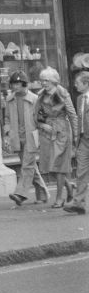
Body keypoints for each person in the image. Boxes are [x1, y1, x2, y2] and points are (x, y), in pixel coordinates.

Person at [34, 66, 77, 208]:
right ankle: (69, 187)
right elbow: (36, 116)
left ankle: (59, 198)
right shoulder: (41, 95)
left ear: (53, 81)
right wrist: (42, 125)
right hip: (47, 132)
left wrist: (76, 135)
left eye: (46, 80)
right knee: (49, 167)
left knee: (59, 166)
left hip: (62, 132)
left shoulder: (62, 93)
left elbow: (72, 114)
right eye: (42, 80)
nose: (43, 83)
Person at [5, 70, 49, 206]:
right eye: (13, 83)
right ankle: (42, 194)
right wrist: (6, 134)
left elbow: (43, 118)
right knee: (30, 166)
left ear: (24, 84)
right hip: (17, 138)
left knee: (27, 165)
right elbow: (6, 119)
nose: (15, 86)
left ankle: (20, 194)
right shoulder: (10, 99)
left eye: (18, 83)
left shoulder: (35, 99)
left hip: (32, 137)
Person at [63, 68, 89, 215]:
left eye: (78, 83)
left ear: (86, 83)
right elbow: (78, 119)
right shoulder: (79, 99)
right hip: (83, 140)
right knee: (81, 172)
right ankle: (79, 203)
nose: (75, 85)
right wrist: (76, 137)